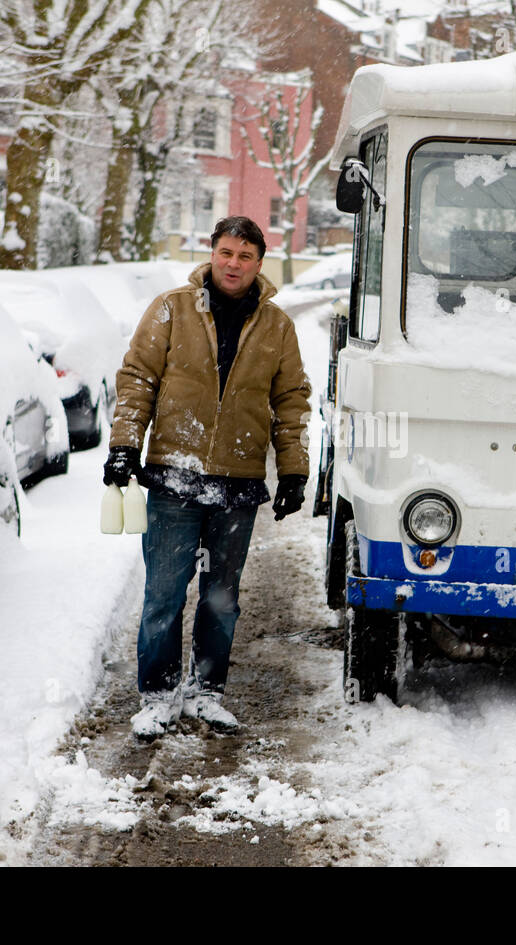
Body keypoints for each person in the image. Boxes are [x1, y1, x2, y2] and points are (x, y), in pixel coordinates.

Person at [104, 216, 311, 740]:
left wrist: (293, 470)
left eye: (245, 256)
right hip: (176, 476)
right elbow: (137, 379)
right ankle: (157, 695)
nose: (233, 264)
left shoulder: (277, 326)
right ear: (211, 254)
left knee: (223, 597)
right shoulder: (172, 309)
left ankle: (206, 692)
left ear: (259, 263)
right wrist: (125, 445)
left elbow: (291, 402)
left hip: (237, 483)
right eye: (226, 253)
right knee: (165, 592)